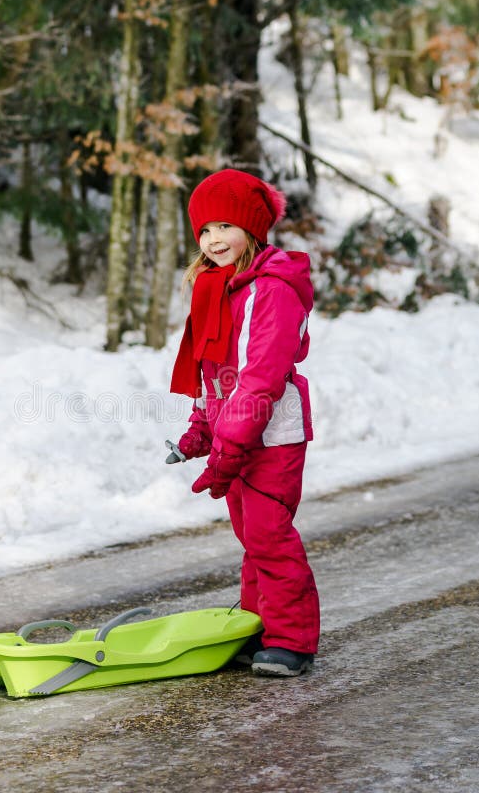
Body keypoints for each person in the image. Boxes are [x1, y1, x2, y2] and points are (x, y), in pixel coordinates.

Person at [169, 168, 319, 677]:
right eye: (204, 230)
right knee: (252, 537)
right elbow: (216, 371)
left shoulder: (271, 289)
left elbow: (259, 378)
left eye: (225, 226)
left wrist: (229, 447)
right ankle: (258, 629)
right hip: (235, 434)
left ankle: (292, 640)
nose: (214, 240)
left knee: (269, 534)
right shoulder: (219, 288)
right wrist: (201, 429)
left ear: (252, 229)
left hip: (271, 436)